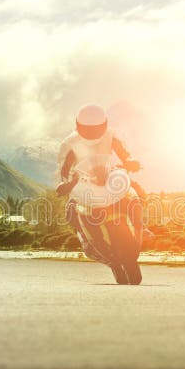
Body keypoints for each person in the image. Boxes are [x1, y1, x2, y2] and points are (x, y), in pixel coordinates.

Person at [56, 105, 143, 264]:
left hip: (107, 176)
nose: (92, 133)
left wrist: (129, 161)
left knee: (134, 192)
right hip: (83, 181)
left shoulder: (111, 136)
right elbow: (65, 167)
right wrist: (66, 182)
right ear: (78, 126)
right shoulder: (70, 143)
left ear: (104, 125)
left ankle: (144, 227)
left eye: (96, 129)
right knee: (71, 211)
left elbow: (123, 152)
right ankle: (84, 238)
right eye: (87, 129)